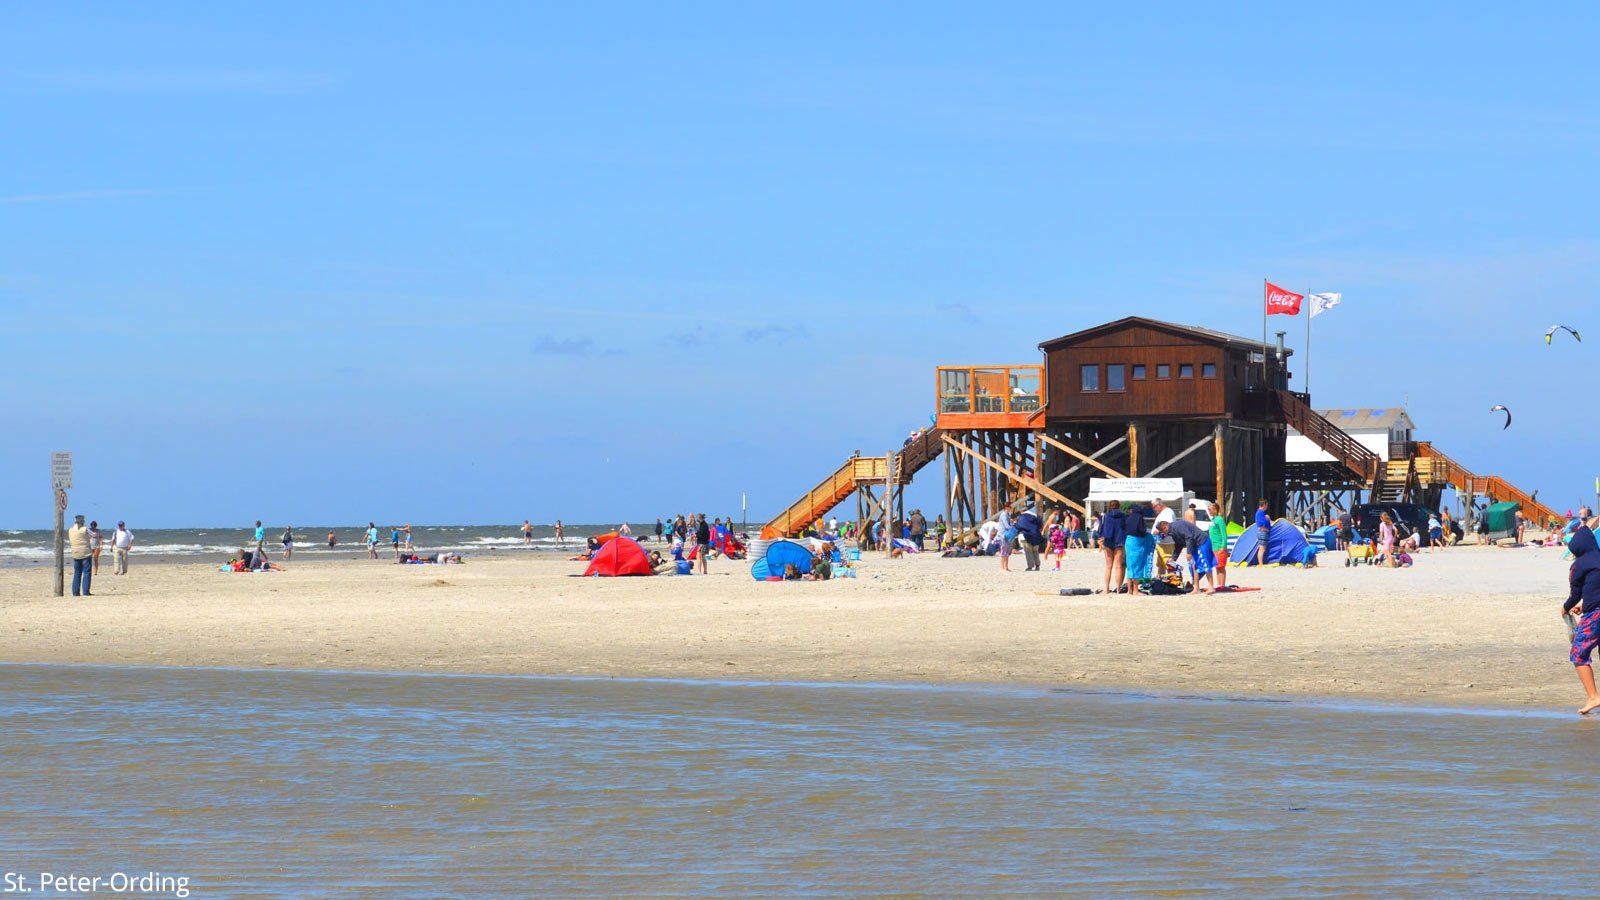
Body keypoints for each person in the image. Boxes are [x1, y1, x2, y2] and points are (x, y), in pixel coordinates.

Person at [1563, 526, 1600, 715]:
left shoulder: (1579, 565)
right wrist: (1585, 606)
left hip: (1595, 614)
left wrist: (1565, 608)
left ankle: (1593, 697)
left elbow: (1575, 594)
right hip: (1593, 608)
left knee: (1578, 653)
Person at [1162, 513, 1217, 593]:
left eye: (1163, 532)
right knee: (1194, 566)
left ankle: (1211, 587)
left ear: (1165, 527)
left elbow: (1189, 537)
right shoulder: (1172, 531)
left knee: (1205, 564)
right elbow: (1178, 545)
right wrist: (1173, 559)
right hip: (1195, 545)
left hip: (1202, 541)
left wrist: (1189, 552)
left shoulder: (1177, 526)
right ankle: (1196, 588)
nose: (1164, 534)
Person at [1123, 503, 1156, 590]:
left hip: (1128, 541)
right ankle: (1135, 590)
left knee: (1130, 566)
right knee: (1137, 565)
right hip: (1137, 542)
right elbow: (1142, 530)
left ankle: (1129, 590)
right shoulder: (1139, 518)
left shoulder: (1128, 518)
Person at [1098, 502, 1127, 593]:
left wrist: (1100, 540)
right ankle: (1118, 589)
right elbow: (1125, 529)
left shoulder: (1105, 516)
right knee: (1118, 566)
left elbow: (1101, 529)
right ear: (1119, 506)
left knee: (1108, 566)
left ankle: (1106, 588)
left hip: (1108, 541)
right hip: (1119, 541)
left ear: (1110, 507)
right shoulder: (1123, 516)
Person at [68, 514, 93, 596]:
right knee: (87, 572)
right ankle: (85, 592)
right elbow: (94, 535)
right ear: (82, 521)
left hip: (75, 553)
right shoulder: (84, 529)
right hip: (85, 553)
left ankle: (75, 592)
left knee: (77, 573)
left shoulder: (70, 530)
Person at [1207, 503, 1230, 588]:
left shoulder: (1220, 520)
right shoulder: (1213, 520)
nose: (1209, 511)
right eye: (1209, 509)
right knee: (1217, 567)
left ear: (1215, 510)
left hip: (1219, 546)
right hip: (1213, 547)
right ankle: (1219, 585)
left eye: (1210, 509)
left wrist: (1223, 546)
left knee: (1221, 567)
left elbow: (1224, 534)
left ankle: (1222, 585)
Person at [1015, 507, 1044, 571]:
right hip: (1036, 535)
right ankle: (1037, 566)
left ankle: (1030, 566)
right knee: (1035, 551)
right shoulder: (1035, 515)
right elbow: (1041, 524)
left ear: (1022, 511)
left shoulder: (1022, 517)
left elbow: (1019, 526)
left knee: (1028, 552)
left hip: (1026, 536)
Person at [1252, 500, 1271, 567]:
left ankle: (1261, 563)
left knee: (1262, 548)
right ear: (1264, 505)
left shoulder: (1260, 513)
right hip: (1263, 532)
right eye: (1266, 505)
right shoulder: (1260, 512)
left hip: (1262, 532)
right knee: (1262, 548)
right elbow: (1261, 524)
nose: (1267, 507)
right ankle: (1260, 563)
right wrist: (1267, 518)